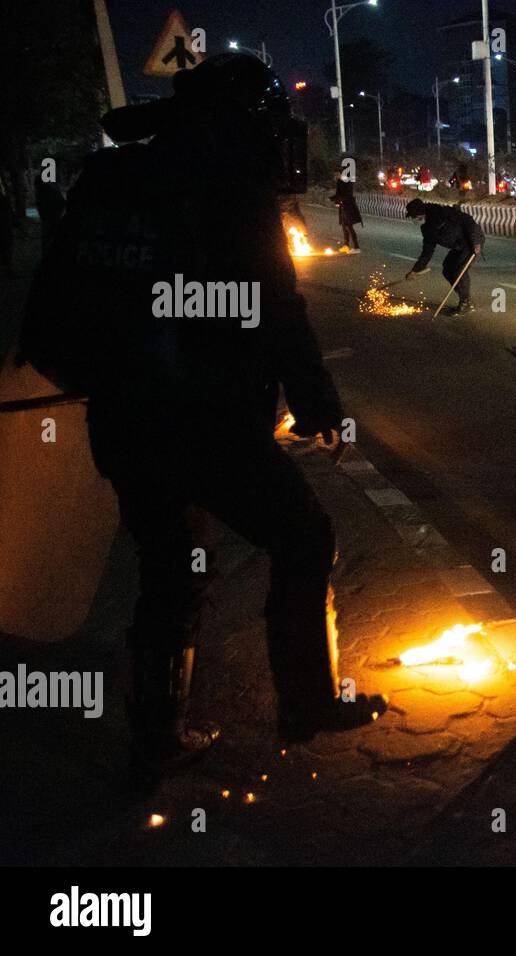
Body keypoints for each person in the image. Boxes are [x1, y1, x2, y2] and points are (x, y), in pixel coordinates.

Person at [17, 53, 388, 775]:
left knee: (170, 566)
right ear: (241, 121)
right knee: (303, 536)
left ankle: (154, 735)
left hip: (124, 422)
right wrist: (318, 410)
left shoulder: (111, 179)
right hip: (205, 422)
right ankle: (306, 704)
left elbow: (57, 301)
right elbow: (279, 312)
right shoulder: (231, 189)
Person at [404, 198, 483, 315]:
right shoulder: (426, 228)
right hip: (457, 246)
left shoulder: (444, 213)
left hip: (470, 242)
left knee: (459, 270)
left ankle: (466, 303)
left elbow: (469, 221)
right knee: (447, 269)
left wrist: (476, 241)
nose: (414, 220)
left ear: (421, 214)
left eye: (414, 217)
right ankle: (465, 298)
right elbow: (427, 251)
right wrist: (415, 270)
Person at [329, 166, 362, 250]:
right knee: (344, 226)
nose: (335, 176)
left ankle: (356, 247)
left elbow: (345, 195)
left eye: (336, 174)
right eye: (334, 175)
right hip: (343, 206)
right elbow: (338, 194)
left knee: (349, 226)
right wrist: (336, 201)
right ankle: (346, 245)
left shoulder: (346, 182)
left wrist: (333, 199)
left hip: (349, 207)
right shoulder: (339, 182)